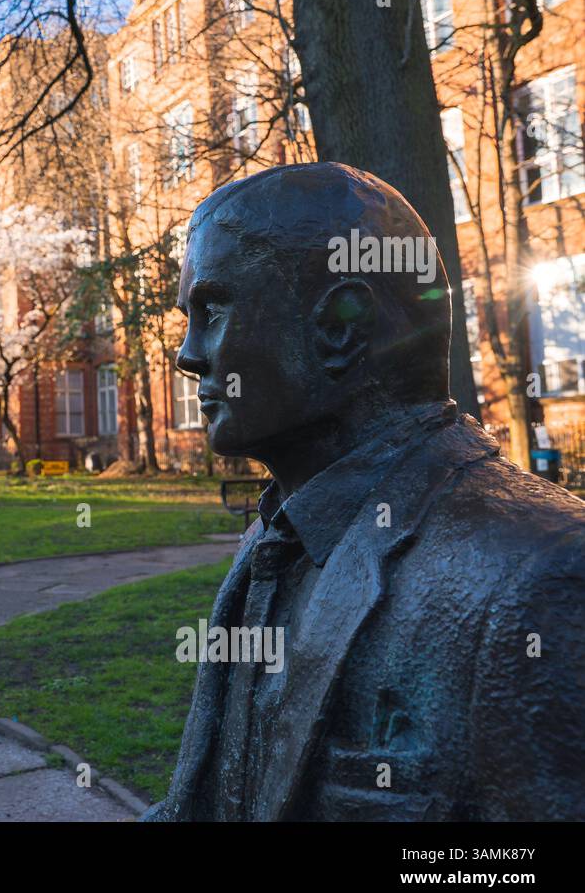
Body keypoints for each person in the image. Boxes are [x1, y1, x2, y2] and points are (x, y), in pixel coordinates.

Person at [144, 162, 585, 821]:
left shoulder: (539, 574)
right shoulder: (273, 540)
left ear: (341, 326)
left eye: (212, 311)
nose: (187, 355)